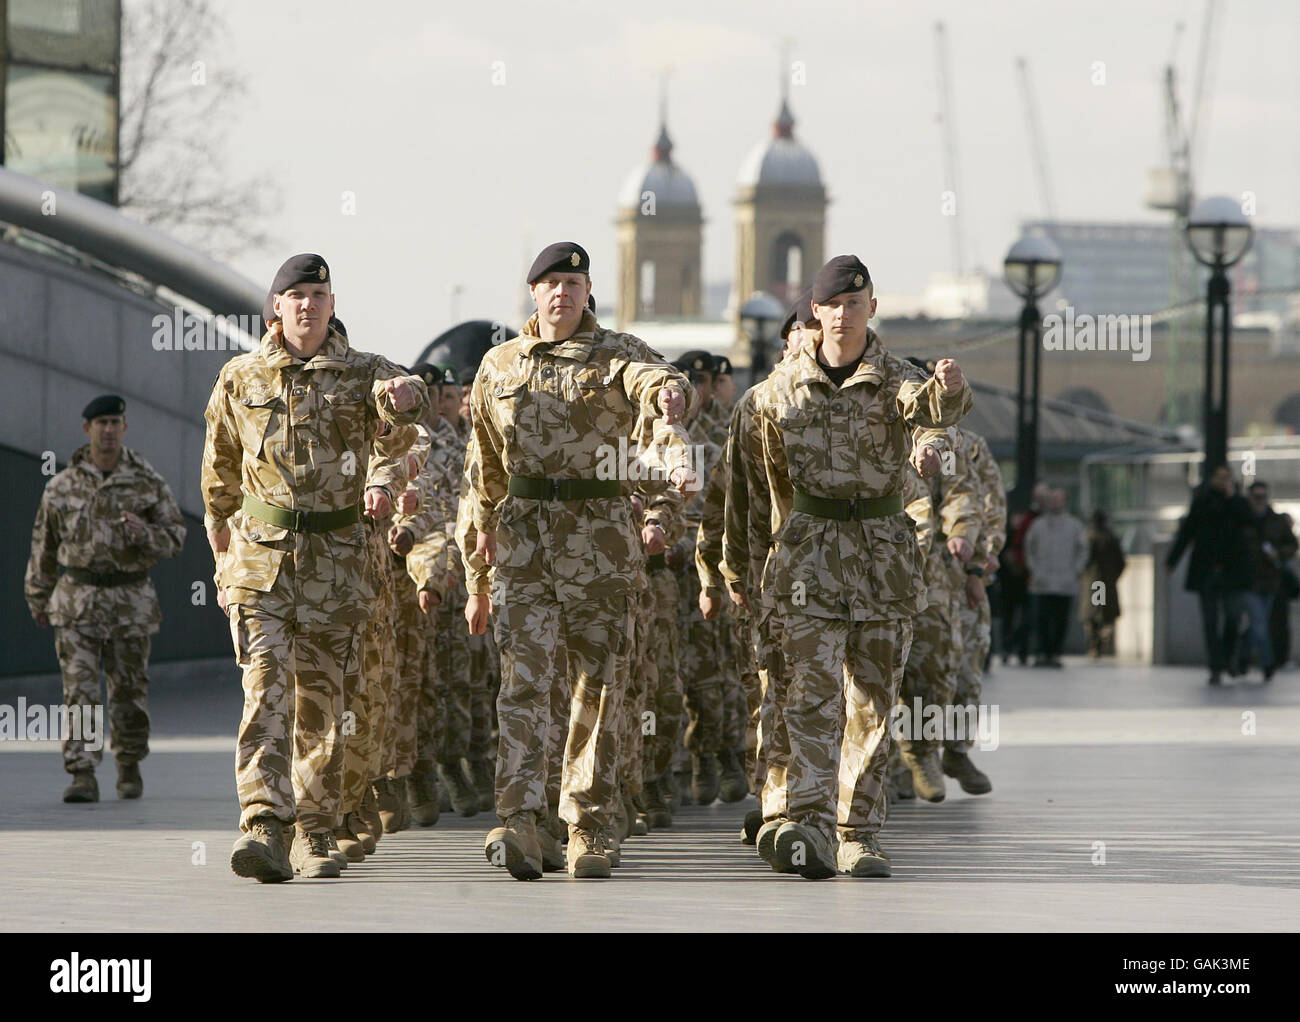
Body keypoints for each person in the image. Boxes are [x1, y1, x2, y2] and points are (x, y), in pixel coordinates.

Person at [724, 254, 971, 880]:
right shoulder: (772, 393)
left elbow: (933, 417)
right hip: (805, 561)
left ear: (871, 309)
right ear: (815, 310)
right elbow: (749, 494)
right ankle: (805, 821)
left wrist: (949, 393)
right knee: (807, 700)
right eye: (832, 304)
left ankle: (857, 832)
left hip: (882, 562)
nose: (843, 314)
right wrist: (742, 573)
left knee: (873, 703)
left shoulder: (899, 380)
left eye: (854, 303)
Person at [457, 242, 694, 881]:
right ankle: (521, 821)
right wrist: (476, 575)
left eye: (574, 282)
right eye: (551, 283)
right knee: (525, 686)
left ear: (589, 292)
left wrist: (670, 398)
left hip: (601, 548)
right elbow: (481, 473)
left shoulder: (621, 355)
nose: (563, 293)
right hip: (524, 546)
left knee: (598, 688)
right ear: (532, 293)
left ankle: (589, 824)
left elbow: (658, 386)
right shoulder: (499, 364)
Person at [202, 253, 427, 882]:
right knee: (266, 688)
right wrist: (223, 562)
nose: (307, 305)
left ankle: (315, 826)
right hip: (260, 565)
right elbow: (218, 476)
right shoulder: (240, 378)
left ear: (332, 306)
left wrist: (405, 397)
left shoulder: (362, 374)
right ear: (276, 306)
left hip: (337, 566)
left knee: (326, 706)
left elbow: (407, 410)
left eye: (318, 296)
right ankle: (264, 822)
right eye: (295, 295)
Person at [25, 395, 186, 804]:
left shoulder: (146, 481)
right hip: (76, 602)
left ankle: (128, 764)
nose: (109, 429)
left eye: (115, 422)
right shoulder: (62, 485)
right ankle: (82, 772)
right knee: (80, 691)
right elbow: (43, 547)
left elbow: (176, 537)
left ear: (124, 428)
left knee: (129, 690)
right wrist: (38, 597)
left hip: (130, 601)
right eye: (101, 423)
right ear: (88, 430)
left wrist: (144, 534)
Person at [1165, 464, 1253, 685]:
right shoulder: (1202, 501)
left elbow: (1250, 521)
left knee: (1233, 617)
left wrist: (1233, 498)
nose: (1224, 482)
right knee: (1210, 621)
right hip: (1207, 571)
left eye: (1227, 478)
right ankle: (1216, 666)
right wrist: (1171, 561)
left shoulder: (1238, 503)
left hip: (1232, 572)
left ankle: (1227, 657)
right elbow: (1187, 532)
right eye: (1220, 478)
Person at [1237, 481, 1298, 680]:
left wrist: (1277, 555)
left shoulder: (1276, 520)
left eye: (1262, 496)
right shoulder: (1242, 520)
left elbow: (1291, 544)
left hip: (1270, 581)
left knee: (1258, 622)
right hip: (1247, 580)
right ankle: (1267, 663)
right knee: (1260, 622)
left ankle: (1243, 657)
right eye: (1256, 497)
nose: (1259, 501)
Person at [1024, 488, 1088, 667]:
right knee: (1041, 619)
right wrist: (1034, 569)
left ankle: (1055, 653)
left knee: (1061, 620)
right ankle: (1041, 653)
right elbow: (1029, 548)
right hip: (1041, 581)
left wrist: (1076, 569)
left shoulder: (1075, 526)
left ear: (1064, 502)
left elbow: (1083, 550)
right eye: (1052, 500)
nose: (1054, 504)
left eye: (1058, 500)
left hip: (1065, 582)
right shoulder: (1037, 525)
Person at [1082, 509, 1126, 658]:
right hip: (1104, 582)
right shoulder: (1110, 538)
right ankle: (1101, 644)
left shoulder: (1090, 538)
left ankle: (1096, 645)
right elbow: (1121, 563)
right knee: (1102, 614)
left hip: (1096, 584)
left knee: (1096, 614)